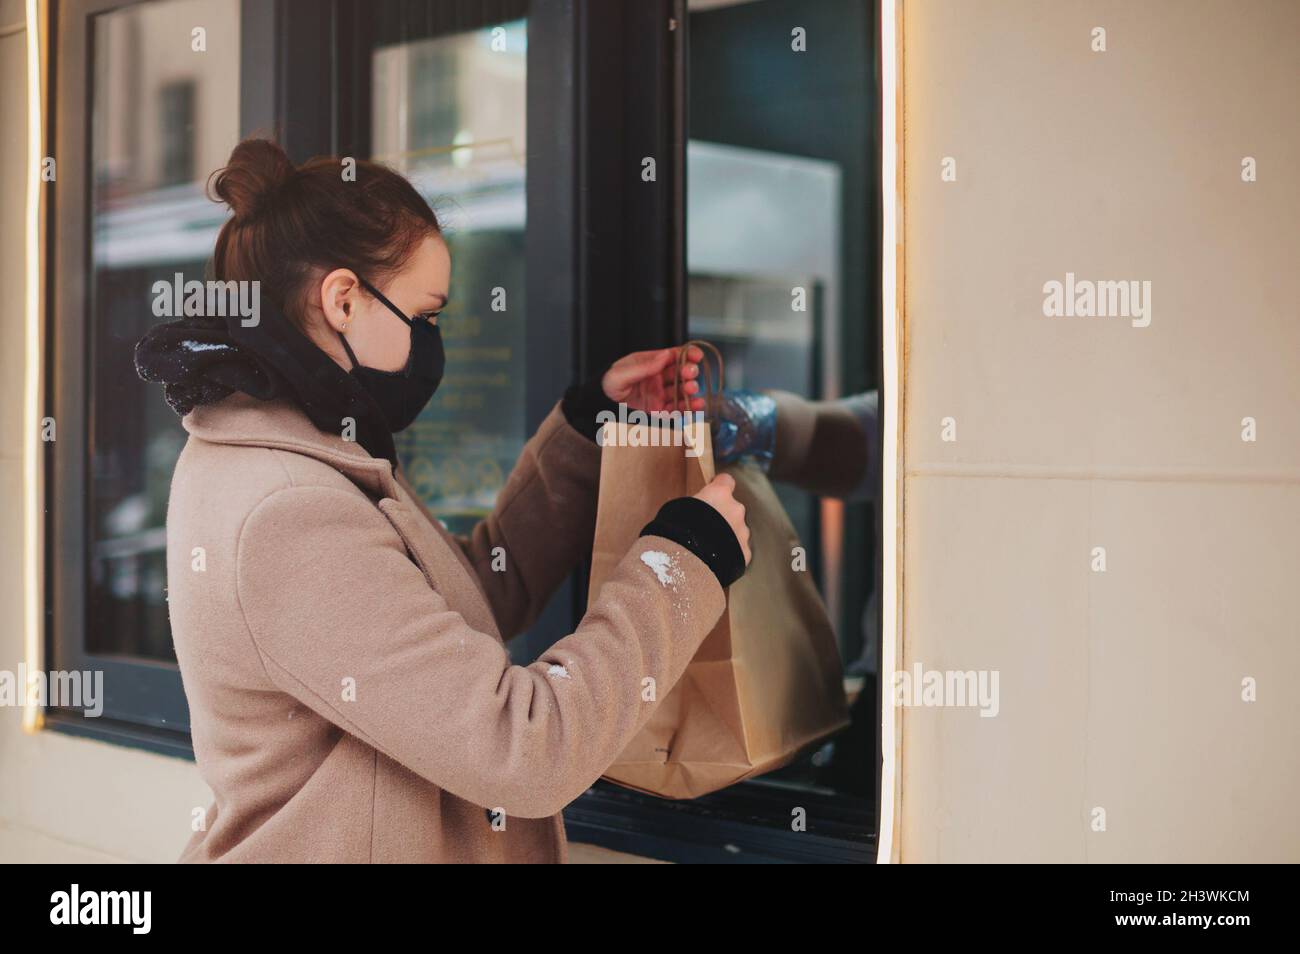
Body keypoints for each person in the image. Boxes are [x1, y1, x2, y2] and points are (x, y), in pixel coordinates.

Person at [134, 139, 750, 863]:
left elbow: (461, 603)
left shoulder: (285, 453)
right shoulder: (289, 507)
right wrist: (681, 565)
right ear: (342, 299)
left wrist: (587, 427)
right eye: (424, 316)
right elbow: (525, 749)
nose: (432, 343)